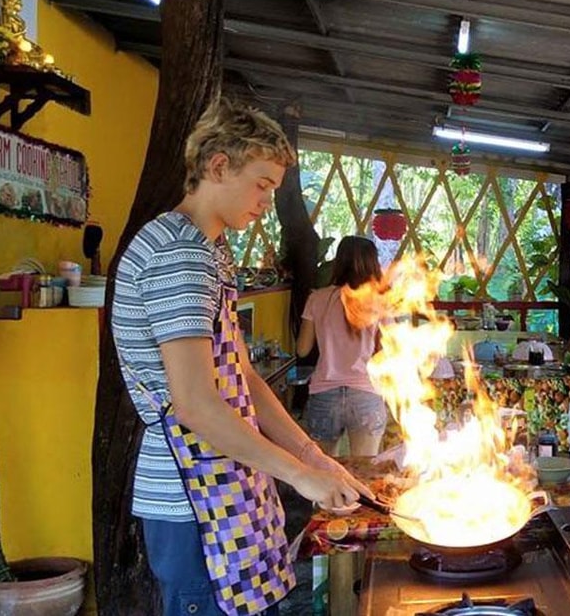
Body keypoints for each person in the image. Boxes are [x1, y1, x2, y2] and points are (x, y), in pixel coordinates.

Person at [112, 98, 373, 616]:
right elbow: (195, 405)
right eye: (261, 184)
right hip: (193, 503)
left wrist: (313, 456)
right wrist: (299, 476)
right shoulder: (177, 256)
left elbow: (244, 377)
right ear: (218, 166)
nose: (267, 200)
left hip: (227, 485)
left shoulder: (208, 250)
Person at [296, 236, 389, 457]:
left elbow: (302, 349)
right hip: (366, 392)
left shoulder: (317, 298)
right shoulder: (379, 302)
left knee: (326, 475)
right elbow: (387, 353)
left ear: (339, 261)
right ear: (372, 263)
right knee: (366, 473)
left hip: (324, 394)